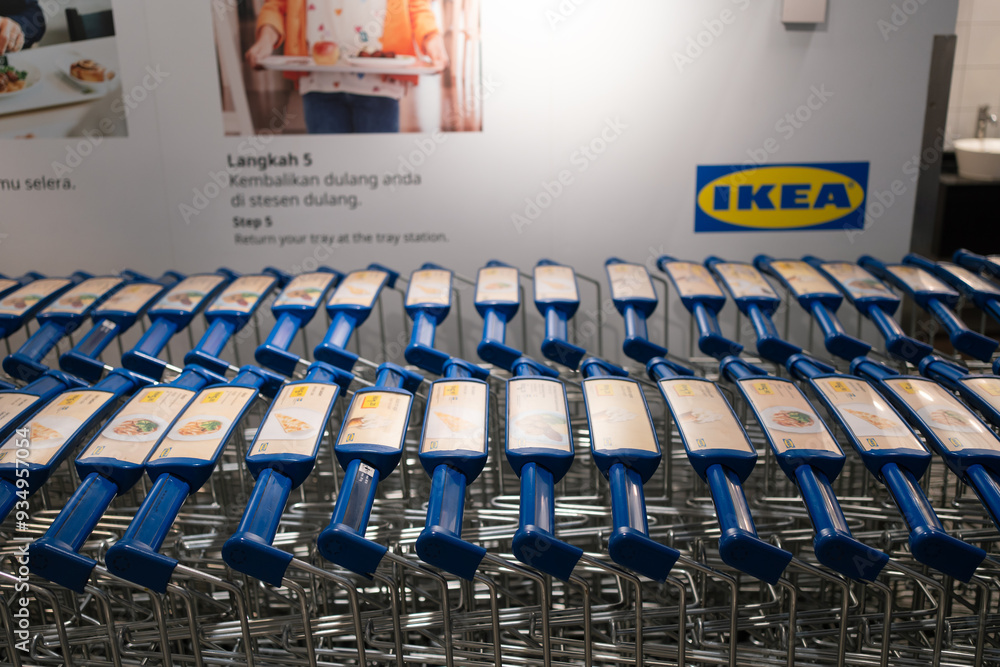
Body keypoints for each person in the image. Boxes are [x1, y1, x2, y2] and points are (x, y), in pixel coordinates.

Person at [247, 0, 448, 134]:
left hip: (380, 84)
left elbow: (417, 6)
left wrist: (433, 42)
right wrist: (266, 40)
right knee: (330, 178)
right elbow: (277, 4)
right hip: (320, 82)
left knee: (379, 176)